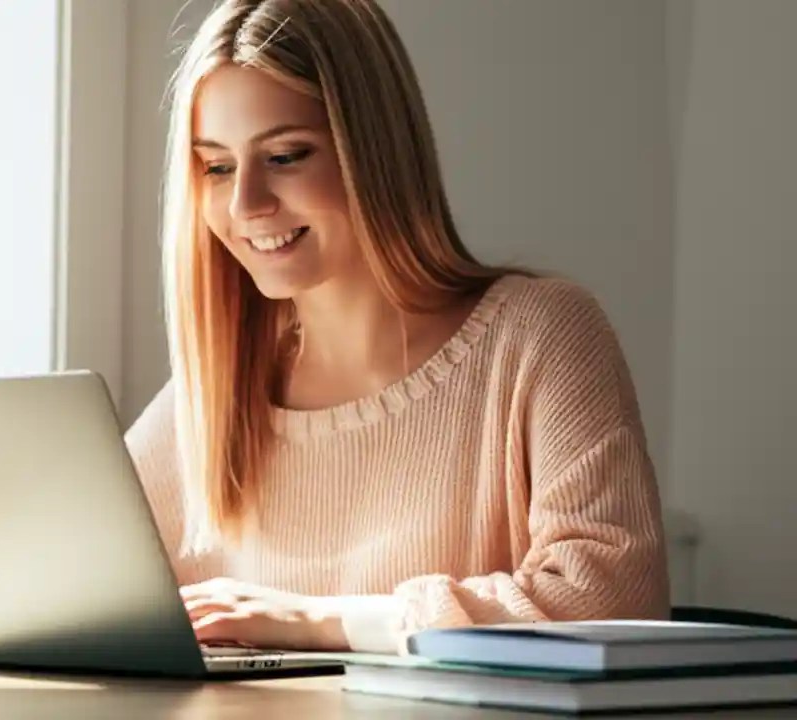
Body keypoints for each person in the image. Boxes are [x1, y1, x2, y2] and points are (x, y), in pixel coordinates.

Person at [124, 0, 669, 655]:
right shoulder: (211, 393)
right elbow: (68, 588)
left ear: (374, 149)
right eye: (216, 166)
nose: (246, 204)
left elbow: (613, 601)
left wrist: (326, 622)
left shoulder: (540, 337)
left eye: (287, 155)